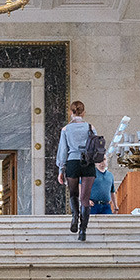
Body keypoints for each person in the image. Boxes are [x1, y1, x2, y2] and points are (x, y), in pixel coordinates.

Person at [56, 100, 97, 241]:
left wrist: (61, 169)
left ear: (71, 112)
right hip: (88, 163)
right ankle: (83, 231)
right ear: (83, 112)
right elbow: (96, 147)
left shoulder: (66, 129)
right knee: (85, 199)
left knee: (73, 194)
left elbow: (63, 151)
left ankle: (74, 217)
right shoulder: (90, 127)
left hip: (72, 161)